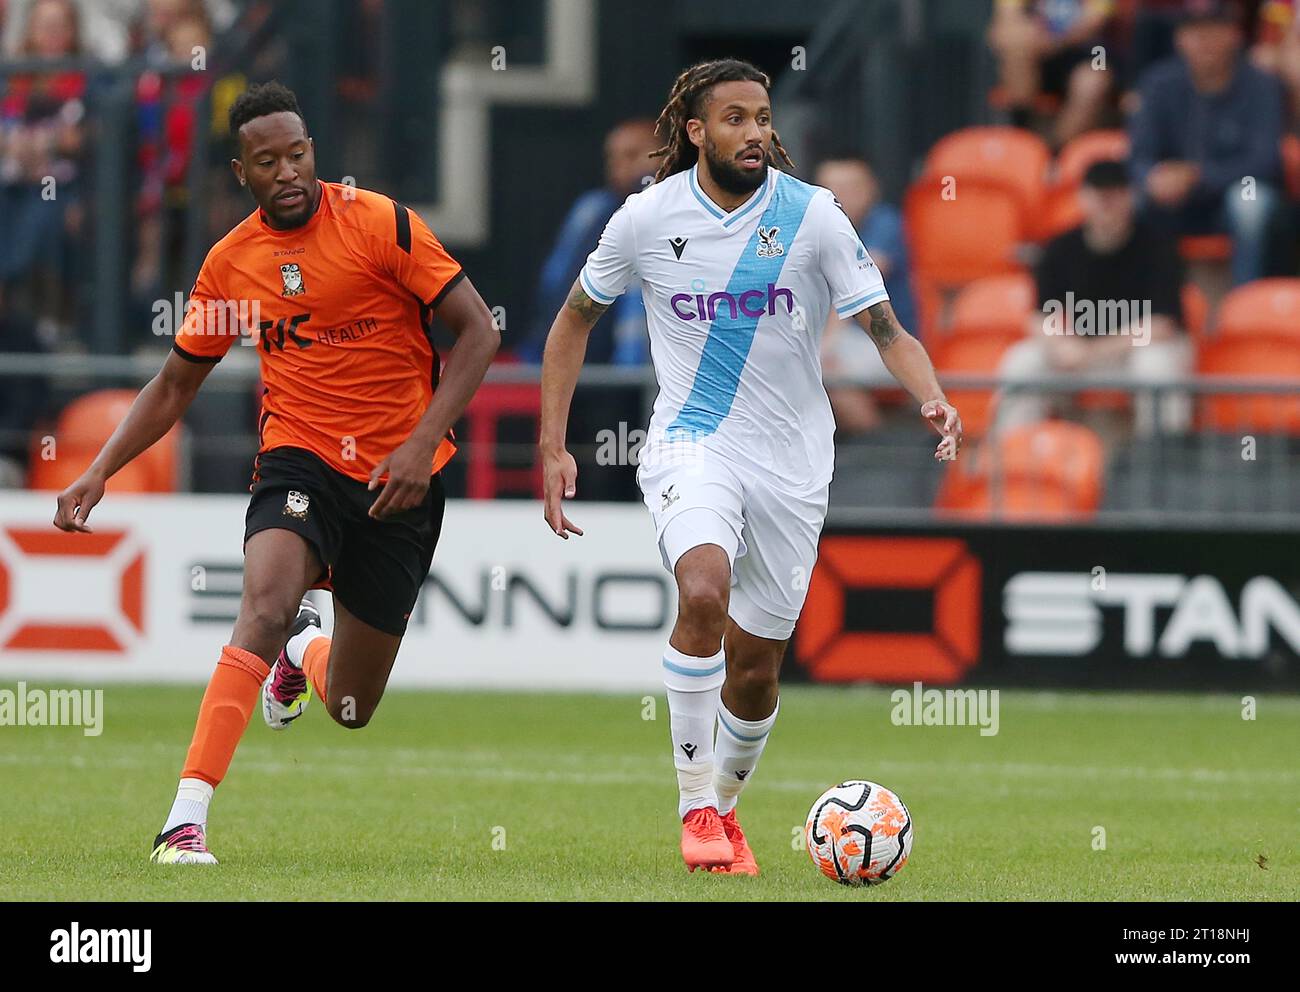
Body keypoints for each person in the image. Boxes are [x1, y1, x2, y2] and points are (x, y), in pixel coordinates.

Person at [51, 82, 499, 864]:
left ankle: (305, 656)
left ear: (313, 152)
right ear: (241, 172)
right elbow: (175, 384)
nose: (288, 171)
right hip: (300, 457)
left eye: (298, 154)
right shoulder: (232, 267)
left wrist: (423, 443)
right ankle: (183, 820)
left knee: (353, 709)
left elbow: (478, 332)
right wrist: (98, 471)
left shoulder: (381, 224)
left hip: (401, 476)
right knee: (262, 605)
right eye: (268, 161)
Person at [537, 59, 961, 875]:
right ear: (695, 131)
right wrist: (553, 444)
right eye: (734, 118)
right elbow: (571, 321)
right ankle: (695, 804)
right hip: (693, 444)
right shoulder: (645, 218)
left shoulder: (814, 217)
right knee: (702, 587)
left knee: (758, 665)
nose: (756, 132)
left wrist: (932, 395)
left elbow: (884, 328)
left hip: (794, 462)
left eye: (762, 116)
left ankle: (726, 811)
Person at [994, 159, 1190, 435]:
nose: (1107, 203)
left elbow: (1161, 326)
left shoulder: (1158, 247)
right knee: (1023, 360)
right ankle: (1012, 461)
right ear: (1083, 198)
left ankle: (1160, 465)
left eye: (1116, 194)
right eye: (1099, 194)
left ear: (1130, 196)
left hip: (1132, 352)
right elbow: (1040, 317)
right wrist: (1062, 345)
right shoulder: (1060, 248)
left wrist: (1092, 351)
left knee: (1156, 364)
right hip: (1079, 355)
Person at [1130, 0, 1288, 285]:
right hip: (1173, 198)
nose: (1206, 41)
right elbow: (1138, 152)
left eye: (1215, 31)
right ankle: (1139, 303)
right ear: (1179, 40)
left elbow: (1266, 160)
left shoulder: (1261, 84)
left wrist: (1199, 176)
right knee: (1124, 197)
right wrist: (1152, 177)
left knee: (1250, 202)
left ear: (1235, 35)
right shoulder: (1158, 83)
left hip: (1230, 194)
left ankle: (1246, 303)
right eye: (1196, 33)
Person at [516, 118, 659, 365]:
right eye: (613, 157)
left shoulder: (669, 211)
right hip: (573, 357)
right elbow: (555, 281)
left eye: (633, 154)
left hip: (635, 372)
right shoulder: (591, 210)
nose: (620, 166)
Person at [814, 155, 916, 434]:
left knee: (820, 366)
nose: (840, 197)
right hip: (834, 338)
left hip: (888, 342)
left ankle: (875, 449)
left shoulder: (885, 223)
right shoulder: (812, 227)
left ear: (871, 189)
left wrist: (825, 345)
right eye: (830, 189)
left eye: (849, 188)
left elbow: (857, 288)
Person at [987, 0, 1118, 146]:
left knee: (1094, 81)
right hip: (1035, 51)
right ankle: (1021, 135)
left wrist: (1053, 41)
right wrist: (1028, 36)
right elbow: (1007, 18)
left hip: (1091, 53)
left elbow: (1095, 22)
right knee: (1012, 41)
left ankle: (1055, 153)